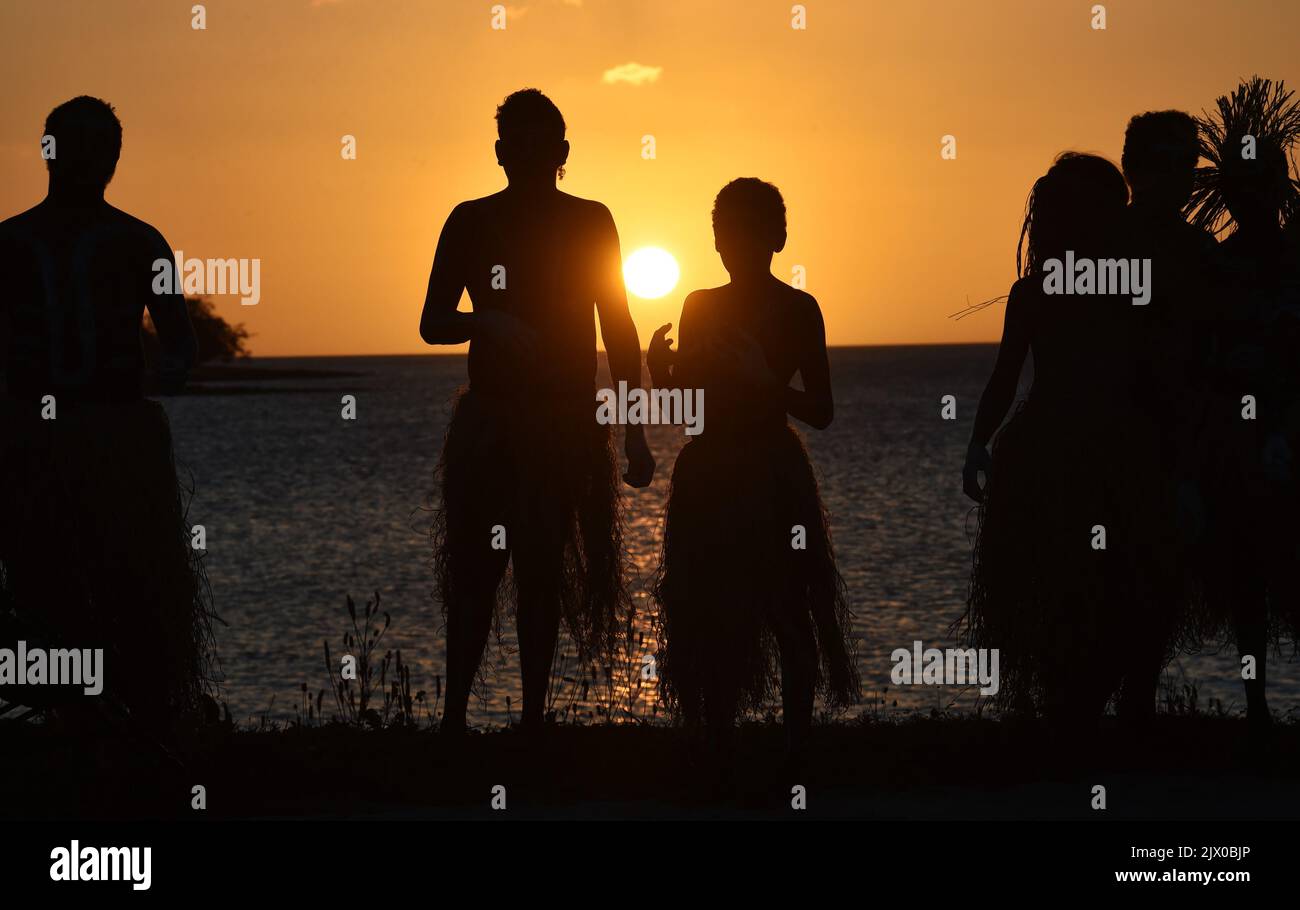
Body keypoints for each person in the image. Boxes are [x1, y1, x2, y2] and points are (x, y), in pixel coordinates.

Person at [420, 88, 654, 734]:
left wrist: (634, 428)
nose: (522, 155)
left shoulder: (590, 222)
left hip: (563, 425)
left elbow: (620, 327)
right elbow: (433, 322)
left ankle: (530, 720)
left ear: (561, 153)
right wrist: (488, 320)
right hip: (491, 424)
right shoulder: (469, 220)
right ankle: (453, 722)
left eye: (536, 144)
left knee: (543, 573)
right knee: (474, 572)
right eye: (511, 144)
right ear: (498, 153)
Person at [0, 96, 214, 741]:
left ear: (117, 160)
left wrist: (168, 371)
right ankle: (77, 719)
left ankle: (140, 722)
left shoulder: (139, 240)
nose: (94, 161)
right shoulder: (9, 244)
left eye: (106, 150)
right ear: (49, 150)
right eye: (80, 146)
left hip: (119, 438)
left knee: (133, 583)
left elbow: (179, 339)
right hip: (31, 442)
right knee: (43, 583)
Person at [647, 178, 857, 765]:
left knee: (791, 609)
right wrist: (660, 372)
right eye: (723, 234)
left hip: (772, 476)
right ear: (715, 242)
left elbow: (821, 411)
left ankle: (796, 748)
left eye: (745, 233)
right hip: (710, 473)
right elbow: (687, 402)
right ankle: (717, 744)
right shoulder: (700, 305)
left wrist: (768, 382)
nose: (732, 245)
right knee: (708, 611)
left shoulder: (798, 309)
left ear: (778, 238)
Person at [960, 153, 1175, 725]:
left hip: (1117, 452)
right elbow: (1006, 376)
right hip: (1052, 454)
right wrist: (979, 442)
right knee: (1061, 585)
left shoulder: (1133, 284)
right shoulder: (1032, 294)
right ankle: (1076, 709)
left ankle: (1123, 706)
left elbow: (1158, 369)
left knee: (1129, 581)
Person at [1186, 77, 1300, 731]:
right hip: (1238, 444)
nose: (1250, 198)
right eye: (1241, 185)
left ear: (1279, 186)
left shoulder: (1295, 261)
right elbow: (1198, 361)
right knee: (1249, 582)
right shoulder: (1215, 268)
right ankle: (1256, 710)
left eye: (1262, 184)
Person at [1115, 110, 1219, 723]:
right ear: (1134, 169)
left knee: (1159, 584)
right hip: (1110, 437)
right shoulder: (1101, 244)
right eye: (1171, 164)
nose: (1184, 178)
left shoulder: (1201, 253)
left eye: (1189, 165)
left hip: (1178, 439)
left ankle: (1136, 709)